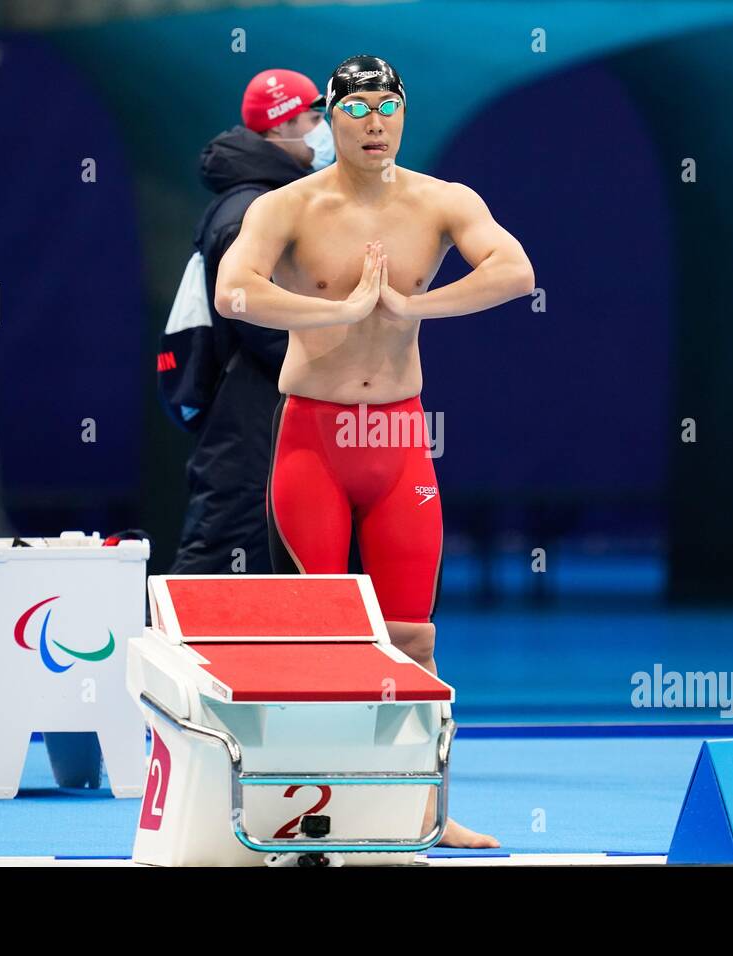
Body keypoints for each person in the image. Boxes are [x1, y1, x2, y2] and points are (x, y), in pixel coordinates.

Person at [214, 54, 535, 847]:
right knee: (318, 635)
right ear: (330, 118)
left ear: (402, 114)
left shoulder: (440, 201)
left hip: (397, 439)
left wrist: (413, 302)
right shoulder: (289, 205)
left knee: (412, 633)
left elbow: (515, 270)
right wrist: (333, 313)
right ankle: (310, 801)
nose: (374, 124)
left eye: (387, 107)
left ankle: (427, 807)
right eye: (356, 111)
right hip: (314, 440)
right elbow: (234, 289)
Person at [164, 68, 332, 574]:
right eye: (314, 116)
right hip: (250, 413)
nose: (324, 128)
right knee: (222, 555)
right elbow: (256, 316)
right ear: (281, 127)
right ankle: (175, 652)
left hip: (264, 404)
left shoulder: (266, 201)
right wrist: (340, 363)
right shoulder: (250, 211)